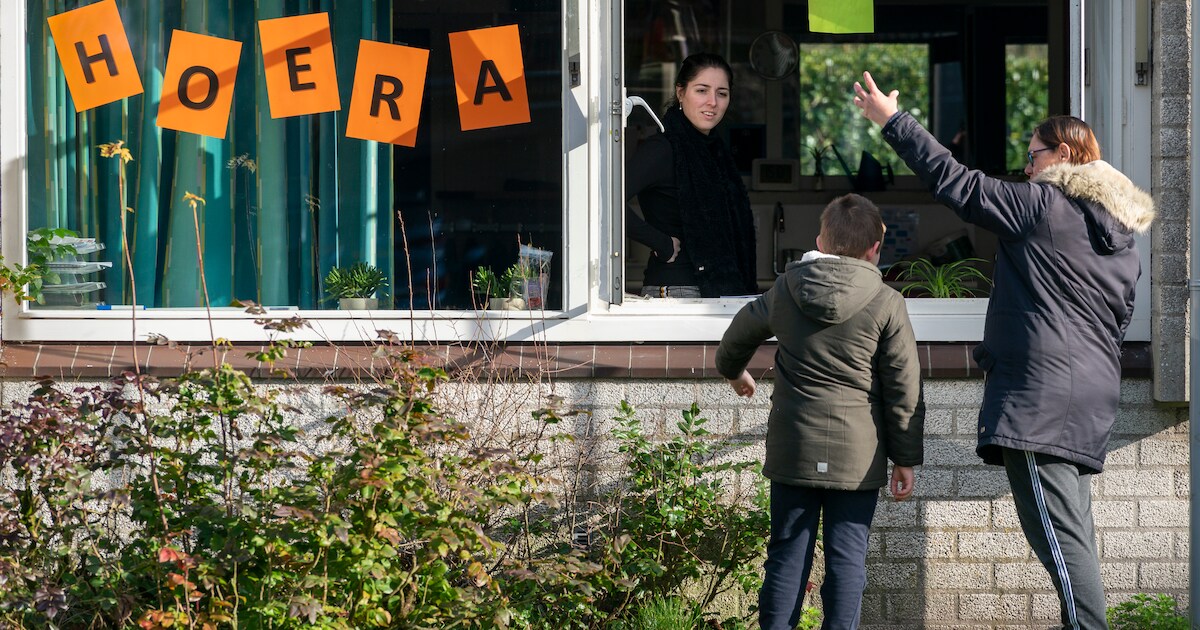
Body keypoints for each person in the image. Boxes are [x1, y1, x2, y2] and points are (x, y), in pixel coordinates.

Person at [853, 70, 1155, 630]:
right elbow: (1116, 321)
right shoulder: (1121, 237)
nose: (1027, 167)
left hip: (1041, 402)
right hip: (1089, 398)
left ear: (1063, 155)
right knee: (1074, 534)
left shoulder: (1043, 206)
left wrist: (892, 122)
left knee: (1062, 545)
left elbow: (957, 184)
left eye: (1034, 155)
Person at [715, 194, 925, 630]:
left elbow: (735, 337)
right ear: (875, 249)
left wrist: (735, 374)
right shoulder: (887, 302)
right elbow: (903, 388)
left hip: (795, 449)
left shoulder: (786, 290)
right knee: (847, 561)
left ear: (819, 241)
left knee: (787, 556)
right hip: (857, 456)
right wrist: (904, 457)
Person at [625, 52, 757, 298]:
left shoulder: (716, 154)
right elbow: (606, 203)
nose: (713, 102)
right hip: (677, 292)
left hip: (721, 293)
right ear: (680, 93)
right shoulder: (663, 148)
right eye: (702, 90)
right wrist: (660, 243)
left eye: (722, 93)